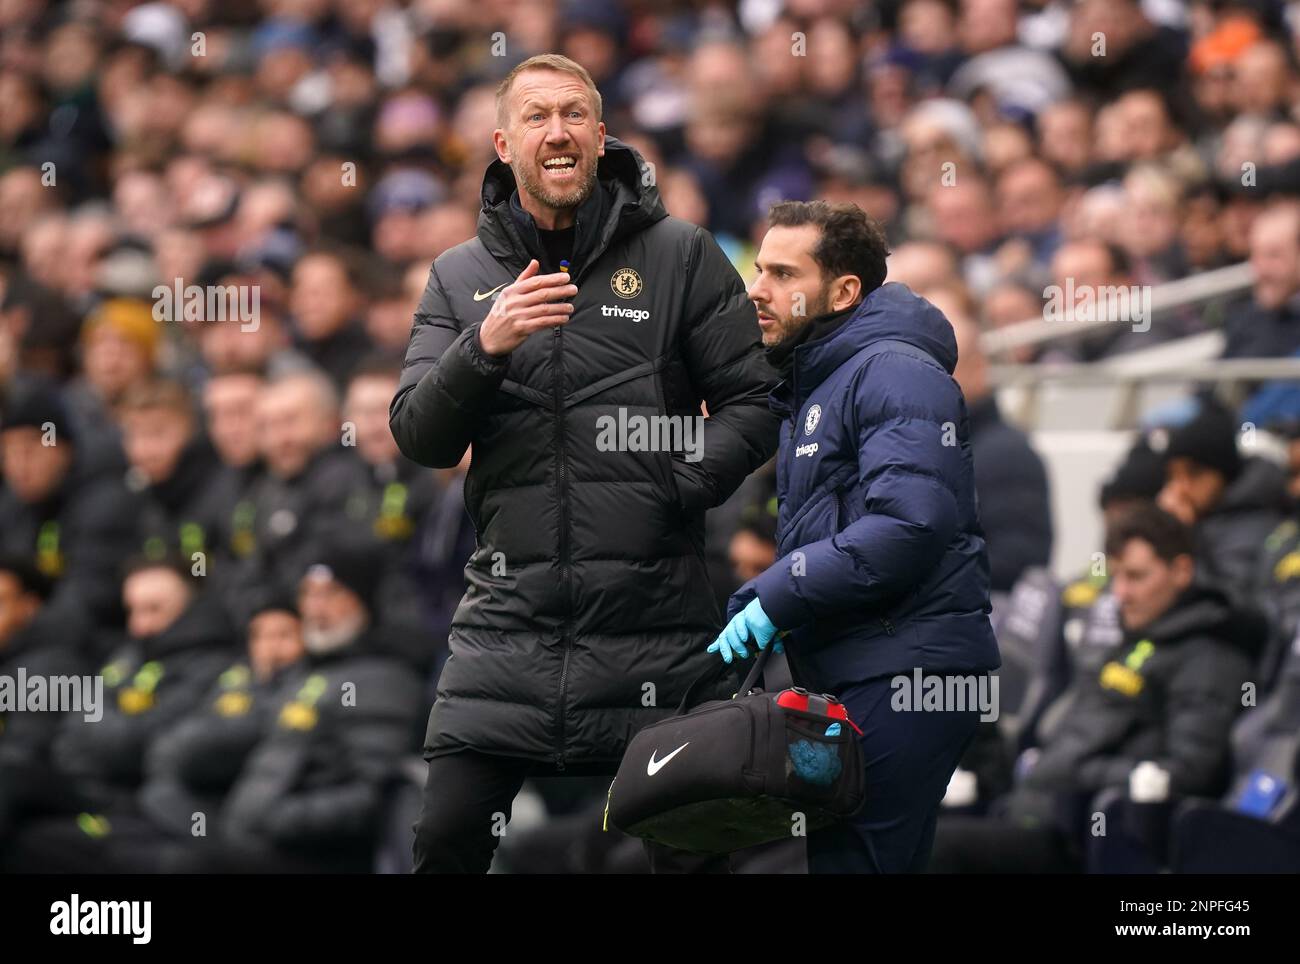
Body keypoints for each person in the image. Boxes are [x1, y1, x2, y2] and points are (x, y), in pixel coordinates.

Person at [390, 54, 780, 873]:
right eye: (536, 117)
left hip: (656, 624)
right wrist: (483, 347)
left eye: (574, 114)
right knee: (447, 846)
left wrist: (677, 485)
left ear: (602, 138)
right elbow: (418, 436)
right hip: (506, 627)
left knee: (695, 853)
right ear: (504, 144)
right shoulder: (460, 278)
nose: (557, 131)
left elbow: (753, 403)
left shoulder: (679, 254)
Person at [712, 199, 1000, 873]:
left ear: (843, 292)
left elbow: (911, 523)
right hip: (865, 666)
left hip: (907, 672)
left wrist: (777, 595)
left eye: (784, 273)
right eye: (759, 270)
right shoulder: (823, 377)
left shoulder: (891, 370)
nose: (758, 289)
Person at [929, 507, 1261, 873]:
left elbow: (1189, 771)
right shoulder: (1136, 641)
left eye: (1136, 577)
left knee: (936, 849)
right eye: (1116, 578)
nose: (1120, 594)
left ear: (1181, 571)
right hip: (1036, 811)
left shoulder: (1207, 657)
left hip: (1083, 836)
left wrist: (1081, 773)